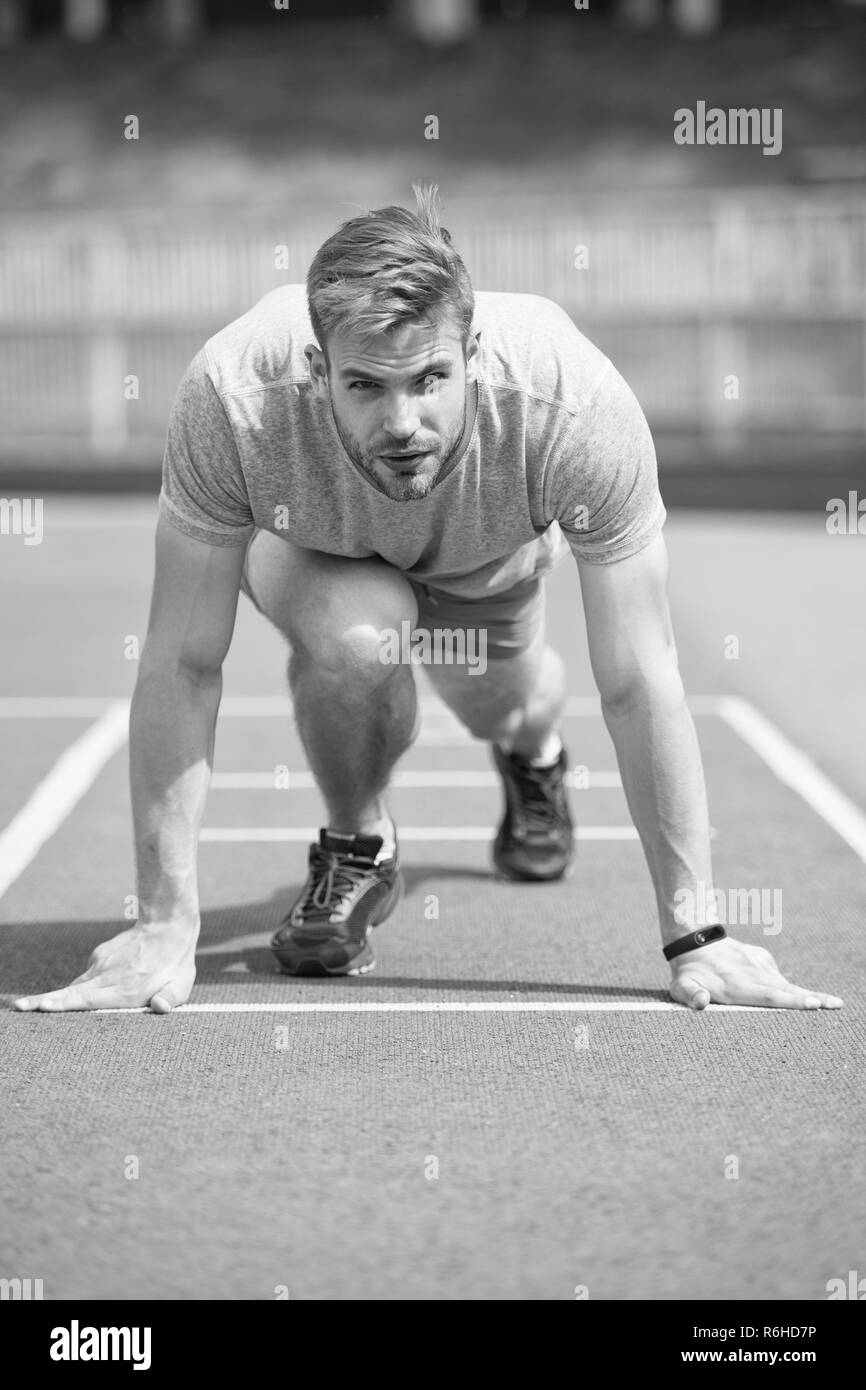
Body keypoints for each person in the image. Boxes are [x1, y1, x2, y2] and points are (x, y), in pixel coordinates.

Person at [14, 186, 842, 1014]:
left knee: (510, 707)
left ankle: (534, 753)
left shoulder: (576, 405)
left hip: (488, 562)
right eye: (367, 386)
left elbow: (639, 678)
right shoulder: (234, 400)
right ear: (316, 370)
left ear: (473, 353)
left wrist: (696, 936)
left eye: (430, 379)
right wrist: (162, 926)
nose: (403, 421)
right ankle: (358, 846)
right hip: (319, 548)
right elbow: (183, 661)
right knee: (360, 638)